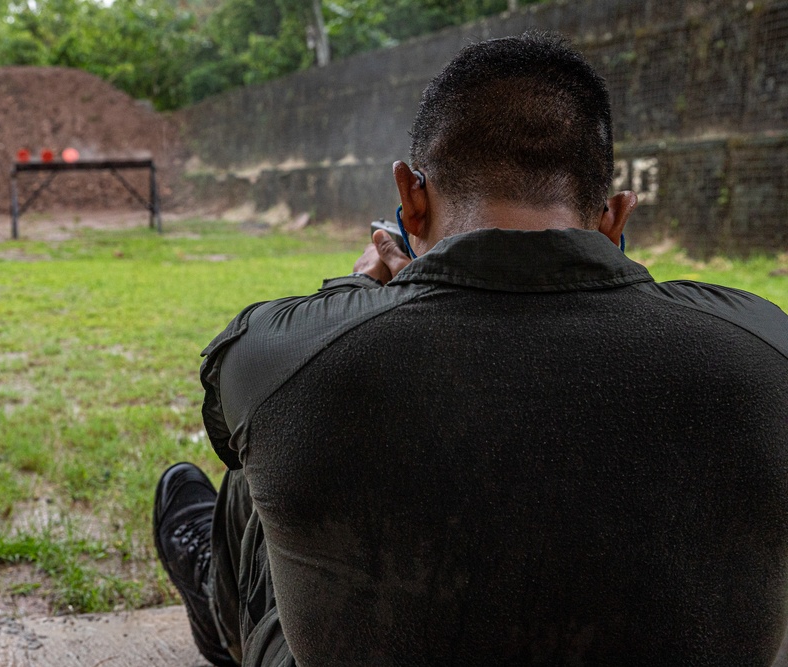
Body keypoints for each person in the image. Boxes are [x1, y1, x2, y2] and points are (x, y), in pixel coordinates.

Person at [153, 32, 788, 666]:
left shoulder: (282, 356)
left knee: (259, 458)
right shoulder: (766, 350)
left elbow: (241, 406)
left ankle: (219, 604)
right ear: (616, 217)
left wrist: (358, 291)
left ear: (410, 197)